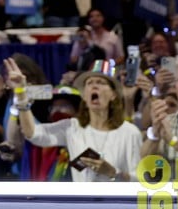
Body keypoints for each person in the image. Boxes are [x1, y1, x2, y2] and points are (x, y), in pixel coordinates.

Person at [7, 58, 142, 182]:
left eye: (101, 83)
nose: (94, 86)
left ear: (113, 95)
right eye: (89, 83)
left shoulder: (129, 132)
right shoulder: (71, 128)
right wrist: (20, 93)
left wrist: (113, 173)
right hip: (83, 205)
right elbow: (33, 134)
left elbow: (138, 180)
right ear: (84, 95)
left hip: (116, 205)